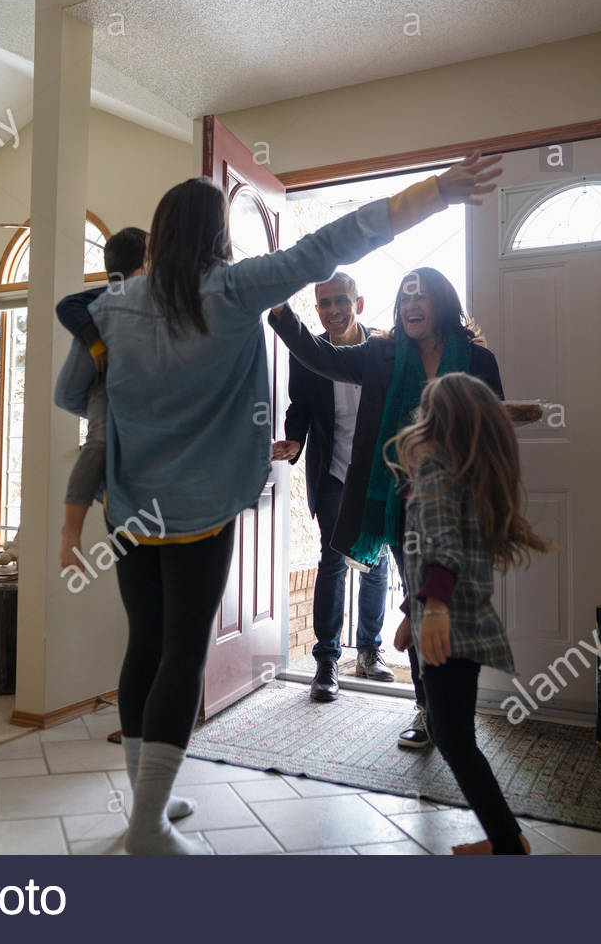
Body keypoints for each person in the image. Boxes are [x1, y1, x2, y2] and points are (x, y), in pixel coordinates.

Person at [55, 154, 502, 854]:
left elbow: (70, 392)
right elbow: (332, 243)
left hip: (129, 508)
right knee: (182, 653)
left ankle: (149, 801)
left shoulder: (112, 306)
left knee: (144, 645)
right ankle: (147, 825)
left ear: (160, 235)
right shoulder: (234, 287)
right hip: (200, 509)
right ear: (217, 237)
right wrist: (434, 193)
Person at [268, 266, 503, 749]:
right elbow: (320, 356)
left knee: (450, 606)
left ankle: (451, 709)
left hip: (459, 509)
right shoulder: (382, 355)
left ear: (441, 302)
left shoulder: (478, 360)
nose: (411, 304)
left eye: (421, 296)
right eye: (404, 297)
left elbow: (495, 433)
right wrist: (280, 310)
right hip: (400, 504)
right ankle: (428, 710)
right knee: (420, 602)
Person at [388, 372, 551, 853]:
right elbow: (432, 552)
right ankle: (505, 838)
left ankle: (507, 844)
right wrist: (411, 612)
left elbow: (442, 548)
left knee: (454, 737)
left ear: (439, 426)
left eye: (424, 415)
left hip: (450, 628)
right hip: (451, 624)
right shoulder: (462, 477)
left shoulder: (438, 473)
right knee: (450, 731)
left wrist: (435, 610)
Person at [271, 271, 393, 701]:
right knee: (333, 558)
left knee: (376, 560)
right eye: (324, 303)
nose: (333, 310)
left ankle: (369, 651)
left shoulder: (382, 349)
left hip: (378, 474)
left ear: (358, 304)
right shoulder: (308, 352)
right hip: (334, 472)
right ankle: (326, 660)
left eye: (341, 300)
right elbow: (300, 406)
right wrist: (294, 440)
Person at [55, 227, 148, 571]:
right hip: (104, 385)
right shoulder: (112, 296)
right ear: (143, 266)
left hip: (135, 398)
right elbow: (68, 305)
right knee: (99, 442)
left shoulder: (155, 298)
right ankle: (71, 531)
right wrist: (94, 342)